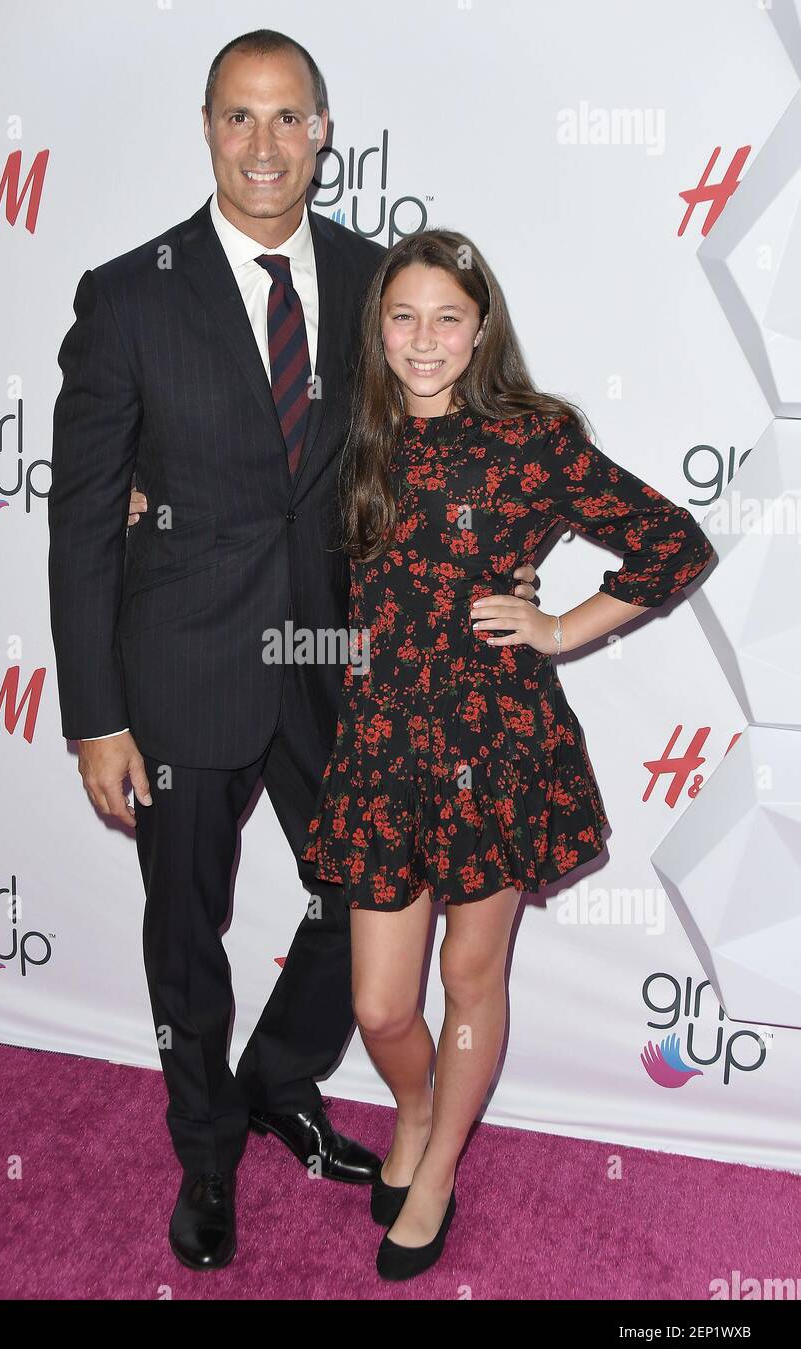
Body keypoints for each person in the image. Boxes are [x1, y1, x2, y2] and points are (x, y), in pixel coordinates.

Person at [47, 32, 541, 1272]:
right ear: (206, 129)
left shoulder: (382, 280)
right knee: (185, 932)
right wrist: (95, 713)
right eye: (238, 118)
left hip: (341, 662)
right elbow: (80, 523)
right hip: (180, 670)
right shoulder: (128, 293)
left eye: (287, 119)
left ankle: (275, 1076)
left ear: (324, 130)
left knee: (360, 906)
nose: (263, 145)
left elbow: (448, 443)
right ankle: (204, 1158)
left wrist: (506, 560)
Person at [295, 229, 717, 1280]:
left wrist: (562, 627)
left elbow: (671, 541)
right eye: (404, 316)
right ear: (376, 326)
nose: (424, 339)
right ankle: (418, 1104)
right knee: (381, 1005)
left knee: (468, 973)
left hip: (496, 739)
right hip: (386, 744)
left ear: (481, 328)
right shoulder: (348, 427)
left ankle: (433, 1168)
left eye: (447, 317)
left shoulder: (534, 438)